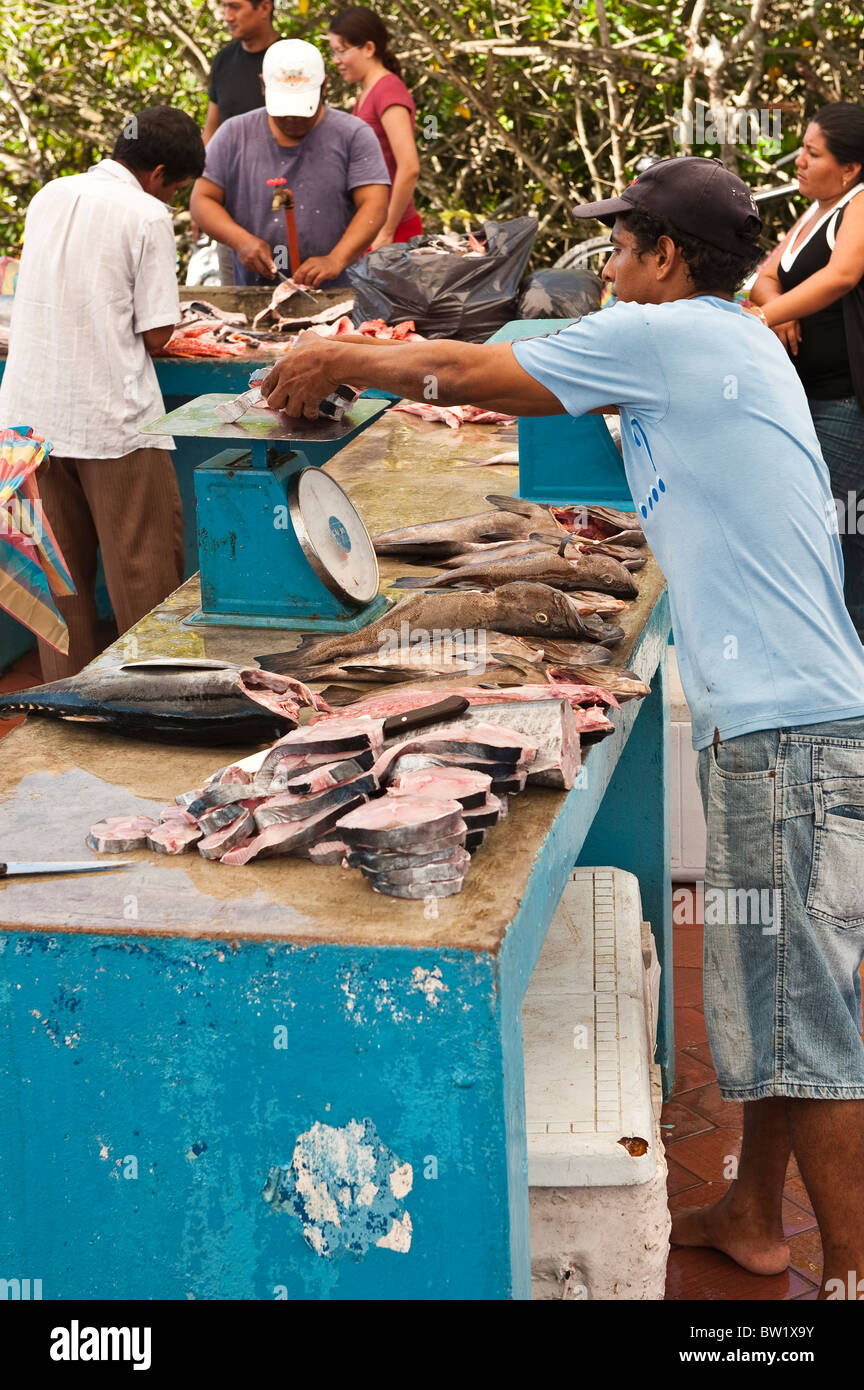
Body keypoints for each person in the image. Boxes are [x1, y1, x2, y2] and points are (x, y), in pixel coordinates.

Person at [259, 157, 864, 1300]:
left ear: (666, 258)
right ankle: (750, 1214)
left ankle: (851, 1275)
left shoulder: (672, 333)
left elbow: (475, 366)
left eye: (620, 248)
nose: (609, 269)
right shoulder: (736, 338)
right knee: (784, 995)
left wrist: (338, 352)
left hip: (788, 737)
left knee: (809, 1021)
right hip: (807, 719)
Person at [0, 107, 204, 681]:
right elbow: (157, 332)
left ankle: (68, 708)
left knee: (61, 590)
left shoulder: (50, 194)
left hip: (30, 421)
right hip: (111, 420)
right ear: (159, 173)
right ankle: (152, 700)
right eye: (177, 187)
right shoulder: (146, 214)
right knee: (144, 576)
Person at [752, 103, 864, 642]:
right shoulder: (816, 211)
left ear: (850, 168)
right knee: (814, 533)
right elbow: (764, 276)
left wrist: (762, 319)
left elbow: (842, 275)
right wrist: (782, 307)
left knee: (846, 535)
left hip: (844, 401)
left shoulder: (860, 203)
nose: (798, 161)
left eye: (812, 153)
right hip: (804, 397)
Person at [191, 38, 390, 288]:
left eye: (303, 109)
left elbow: (375, 204)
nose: (293, 119)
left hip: (337, 296)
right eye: (284, 110)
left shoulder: (354, 135)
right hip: (253, 292)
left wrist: (335, 259)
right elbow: (202, 199)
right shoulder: (233, 134)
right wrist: (241, 241)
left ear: (324, 86)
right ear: (263, 85)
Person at [202, 0, 282, 285]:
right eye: (225, 7)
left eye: (235, 6)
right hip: (231, 210)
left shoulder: (288, 58)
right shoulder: (224, 60)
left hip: (285, 208)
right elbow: (211, 130)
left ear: (265, 8)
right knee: (234, 306)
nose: (227, 17)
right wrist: (202, 194)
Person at [328, 6, 421, 248]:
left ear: (369, 48)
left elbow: (409, 167)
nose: (336, 61)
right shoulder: (365, 94)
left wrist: (387, 230)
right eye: (333, 52)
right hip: (371, 226)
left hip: (392, 232)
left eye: (341, 51)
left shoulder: (388, 90)